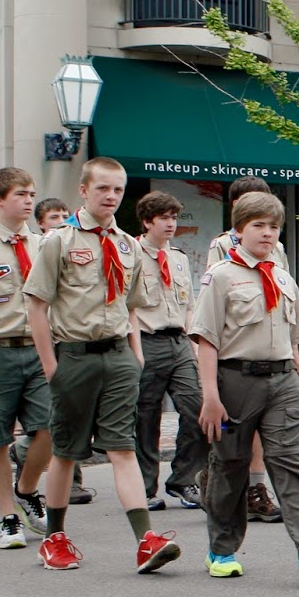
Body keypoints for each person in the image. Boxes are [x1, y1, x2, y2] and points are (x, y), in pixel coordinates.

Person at [25, 157, 180, 573]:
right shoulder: (58, 241)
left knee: (122, 449)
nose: (111, 196)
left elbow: (130, 305)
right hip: (73, 357)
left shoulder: (128, 244)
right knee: (66, 452)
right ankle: (55, 537)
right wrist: (50, 366)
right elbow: (36, 305)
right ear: (84, 190)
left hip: (118, 357)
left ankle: (145, 540)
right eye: (103, 189)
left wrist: (136, 353)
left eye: (117, 190)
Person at [191, 192, 299, 582]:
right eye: (258, 225)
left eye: (274, 226)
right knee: (230, 465)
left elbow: (295, 335)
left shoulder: (283, 277)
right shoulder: (221, 276)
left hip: (281, 380)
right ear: (238, 230)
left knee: (289, 460)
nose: (267, 233)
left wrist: (295, 368)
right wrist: (209, 395)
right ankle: (221, 549)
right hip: (234, 380)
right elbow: (206, 339)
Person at [0, 168, 54, 548]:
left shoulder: (43, 245)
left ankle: (27, 486)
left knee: (53, 425)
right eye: (20, 194)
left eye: (32, 193)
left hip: (37, 351)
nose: (29, 200)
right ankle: (7, 518)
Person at [205, 176, 287, 525]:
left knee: (271, 442)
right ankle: (222, 488)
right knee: (232, 441)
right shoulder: (222, 247)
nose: (267, 230)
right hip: (236, 354)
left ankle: (254, 489)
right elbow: (215, 303)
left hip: (272, 351)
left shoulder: (277, 249)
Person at [132, 191, 207, 511]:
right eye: (164, 218)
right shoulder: (131, 253)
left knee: (198, 409)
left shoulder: (178, 257)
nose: (171, 224)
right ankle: (145, 487)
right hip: (146, 340)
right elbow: (128, 307)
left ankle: (183, 478)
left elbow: (189, 305)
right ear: (148, 221)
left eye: (174, 218)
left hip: (179, 342)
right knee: (145, 417)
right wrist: (134, 349)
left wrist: (195, 347)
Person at [22, 197, 93, 504]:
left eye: (65, 214)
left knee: (61, 418)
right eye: (54, 216)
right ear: (41, 222)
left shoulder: (74, 248)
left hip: (62, 340)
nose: (62, 220)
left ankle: (71, 480)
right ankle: (26, 461)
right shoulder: (43, 248)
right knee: (54, 418)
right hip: (22, 343)